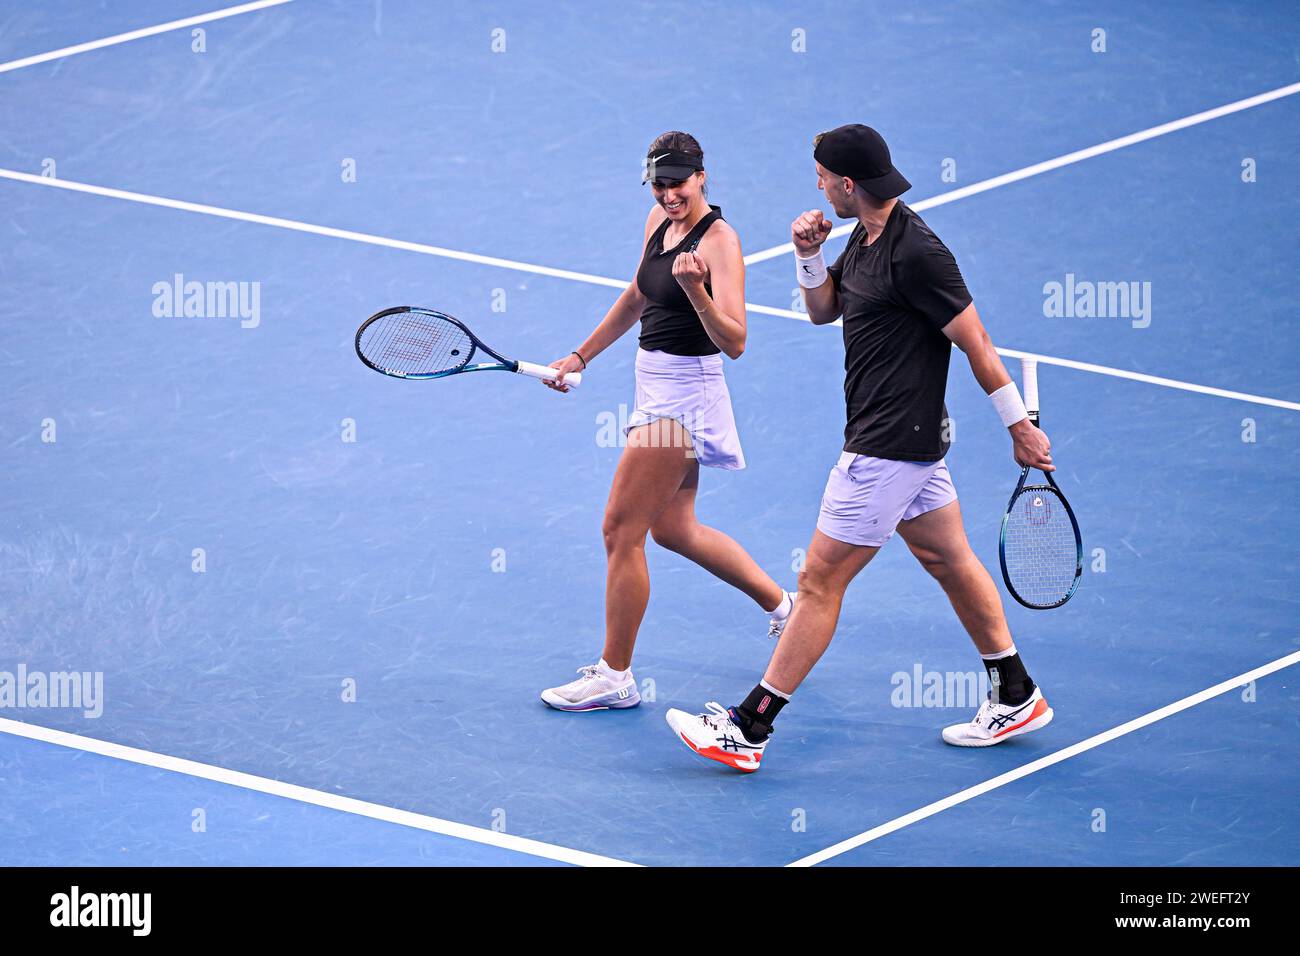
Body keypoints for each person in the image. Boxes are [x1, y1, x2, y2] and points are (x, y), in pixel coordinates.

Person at [666, 124, 1055, 771]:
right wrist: (807, 253)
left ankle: (749, 730)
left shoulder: (918, 252)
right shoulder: (866, 239)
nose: (816, 186)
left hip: (887, 445)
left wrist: (1019, 426)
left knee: (818, 582)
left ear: (847, 183)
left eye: (821, 176)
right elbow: (824, 310)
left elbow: (977, 341)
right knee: (948, 558)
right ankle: (1015, 692)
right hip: (907, 443)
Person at [539, 131, 795, 712]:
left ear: (702, 176)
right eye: (659, 183)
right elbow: (636, 294)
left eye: (678, 182)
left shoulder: (722, 243)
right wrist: (580, 355)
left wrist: (697, 290)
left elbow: (736, 342)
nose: (669, 193)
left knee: (619, 530)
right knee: (673, 529)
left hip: (682, 397)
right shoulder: (657, 219)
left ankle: (615, 675)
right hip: (651, 382)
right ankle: (785, 606)